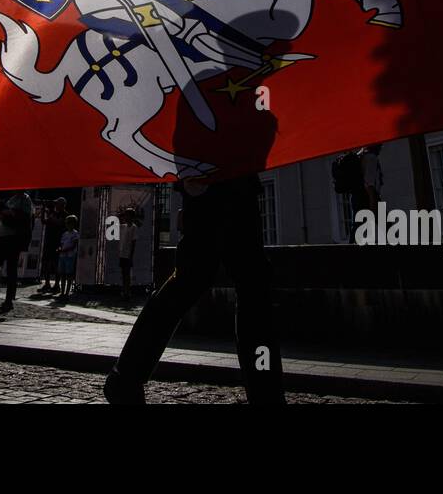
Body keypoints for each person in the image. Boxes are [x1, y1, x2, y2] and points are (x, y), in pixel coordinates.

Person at [105, 90, 284, 405]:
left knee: (209, 282)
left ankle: (127, 374)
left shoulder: (230, 73)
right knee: (239, 285)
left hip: (226, 185)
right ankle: (265, 391)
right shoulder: (218, 71)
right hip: (218, 187)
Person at [0, 191, 33, 311]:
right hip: (4, 236)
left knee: (11, 269)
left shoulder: (25, 199)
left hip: (14, 238)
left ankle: (9, 300)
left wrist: (10, 213)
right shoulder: (11, 199)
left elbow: (24, 217)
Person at [38, 197, 67, 295]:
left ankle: (57, 285)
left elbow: (58, 223)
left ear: (63, 205)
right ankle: (47, 284)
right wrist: (43, 210)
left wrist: (49, 211)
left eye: (58, 204)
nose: (56, 205)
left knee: (56, 264)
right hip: (49, 241)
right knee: (47, 263)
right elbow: (44, 221)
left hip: (58, 242)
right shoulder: (53, 213)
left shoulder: (65, 215)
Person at [57, 214, 79, 298]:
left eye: (70, 223)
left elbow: (74, 245)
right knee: (62, 274)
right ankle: (62, 291)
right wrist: (59, 249)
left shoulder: (75, 233)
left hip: (70, 256)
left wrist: (64, 250)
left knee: (69, 274)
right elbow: (61, 244)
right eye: (67, 223)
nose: (68, 224)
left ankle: (67, 292)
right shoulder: (64, 234)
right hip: (62, 256)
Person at [117, 207, 137, 298]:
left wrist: (131, 255)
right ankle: (123, 290)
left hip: (128, 254)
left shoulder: (134, 227)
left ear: (132, 217)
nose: (127, 217)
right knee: (123, 273)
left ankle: (128, 291)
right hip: (122, 253)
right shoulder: (123, 226)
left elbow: (133, 242)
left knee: (127, 273)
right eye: (126, 215)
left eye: (129, 215)